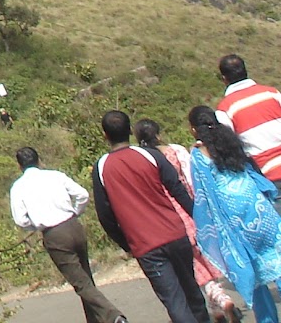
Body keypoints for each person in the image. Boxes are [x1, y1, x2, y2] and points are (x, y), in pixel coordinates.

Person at [92, 109, 211, 323]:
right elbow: (178, 190)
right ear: (130, 130)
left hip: (146, 246)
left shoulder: (101, 168)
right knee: (192, 293)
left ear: (105, 135)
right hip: (175, 234)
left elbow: (105, 216)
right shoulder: (150, 155)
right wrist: (198, 219)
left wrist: (127, 244)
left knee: (175, 301)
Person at [137, 117, 243, 322]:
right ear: (158, 133)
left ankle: (222, 300)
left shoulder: (145, 159)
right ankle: (218, 310)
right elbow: (189, 176)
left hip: (168, 216)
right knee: (206, 260)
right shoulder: (175, 150)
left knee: (194, 268)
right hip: (189, 208)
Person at [10, 147, 128, 323]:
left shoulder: (18, 187)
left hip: (54, 235)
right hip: (74, 226)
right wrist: (75, 212)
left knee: (81, 283)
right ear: (38, 160)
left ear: (19, 165)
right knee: (85, 277)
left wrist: (37, 225)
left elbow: (20, 220)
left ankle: (114, 316)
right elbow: (82, 194)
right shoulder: (55, 175)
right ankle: (96, 320)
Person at [187, 104, 281, 323]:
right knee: (277, 257)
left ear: (193, 129)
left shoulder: (199, 155)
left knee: (254, 275)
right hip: (258, 207)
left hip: (235, 218)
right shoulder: (230, 140)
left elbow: (203, 194)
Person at [216, 56, 281, 186]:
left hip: (268, 176)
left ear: (224, 78)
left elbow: (230, 148)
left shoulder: (224, 109)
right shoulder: (272, 93)